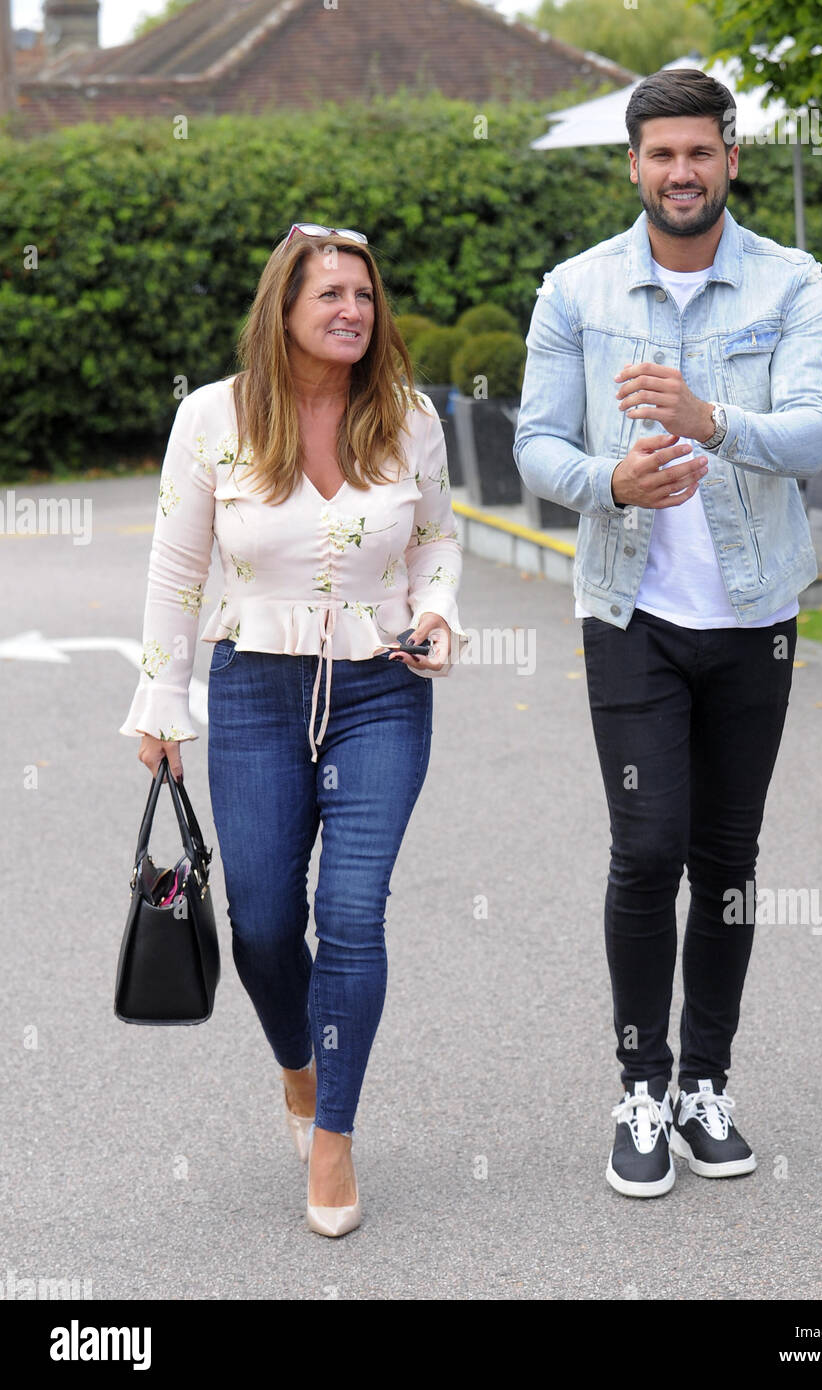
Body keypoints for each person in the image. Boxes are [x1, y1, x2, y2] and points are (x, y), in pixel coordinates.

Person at [514, 69, 822, 1197]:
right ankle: (641, 1087)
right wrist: (610, 477)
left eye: (699, 152)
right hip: (630, 614)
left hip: (757, 619)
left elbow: (809, 434)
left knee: (729, 861)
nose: (681, 172)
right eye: (661, 155)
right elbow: (535, 446)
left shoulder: (792, 282)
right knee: (648, 851)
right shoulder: (576, 289)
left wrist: (711, 420)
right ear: (634, 165)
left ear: (730, 159)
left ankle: (706, 1081)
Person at [119, 223, 466, 1236]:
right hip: (255, 689)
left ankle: (334, 1138)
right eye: (329, 295)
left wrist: (437, 614)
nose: (352, 310)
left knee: (353, 915)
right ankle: (298, 1067)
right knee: (265, 922)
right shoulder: (212, 417)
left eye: (363, 294)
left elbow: (439, 540)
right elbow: (177, 571)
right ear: (285, 307)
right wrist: (160, 700)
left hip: (382, 689)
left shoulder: (405, 417)